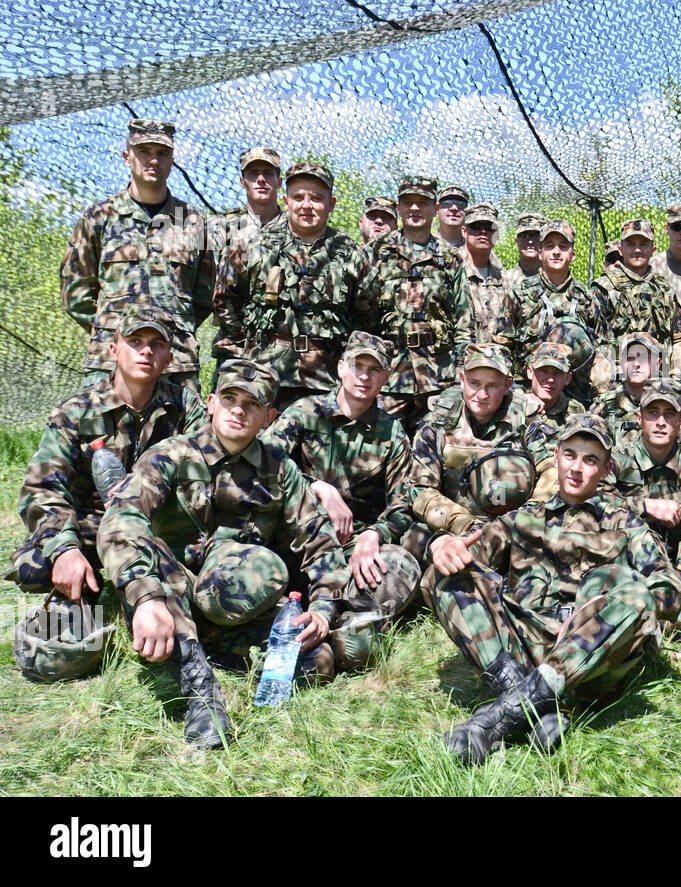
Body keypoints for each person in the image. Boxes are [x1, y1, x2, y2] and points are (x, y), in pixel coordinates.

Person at [96, 359, 349, 748]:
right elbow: (121, 521)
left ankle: (203, 649)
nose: (238, 410)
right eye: (230, 398)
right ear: (211, 402)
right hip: (169, 595)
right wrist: (145, 597)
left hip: (230, 597)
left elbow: (319, 541)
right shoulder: (171, 455)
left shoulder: (279, 469)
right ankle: (202, 694)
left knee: (321, 661)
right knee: (157, 552)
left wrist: (323, 608)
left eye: (252, 403)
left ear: (269, 416)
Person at [427, 414, 681, 765]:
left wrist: (593, 615)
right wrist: (441, 544)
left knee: (635, 593)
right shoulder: (523, 519)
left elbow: (667, 591)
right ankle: (537, 705)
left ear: (606, 470)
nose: (577, 468)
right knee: (446, 575)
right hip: (525, 649)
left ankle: (495, 719)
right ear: (557, 456)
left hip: (594, 659)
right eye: (570, 455)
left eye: (590, 460)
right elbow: (468, 554)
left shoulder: (625, 524)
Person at [9, 307, 204, 682]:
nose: (145, 352)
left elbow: (201, 480)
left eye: (157, 344)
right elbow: (41, 487)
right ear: (114, 350)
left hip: (157, 523)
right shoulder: (76, 412)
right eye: (135, 342)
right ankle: (88, 593)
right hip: (93, 526)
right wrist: (64, 548)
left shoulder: (187, 408)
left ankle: (143, 596)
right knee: (35, 564)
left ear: (168, 357)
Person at [262, 331, 421, 672]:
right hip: (295, 543)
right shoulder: (304, 413)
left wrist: (374, 534)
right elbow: (262, 464)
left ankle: (333, 622)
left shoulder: (391, 431)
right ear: (340, 368)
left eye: (374, 370)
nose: (364, 376)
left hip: (350, 551)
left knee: (401, 565)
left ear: (386, 377)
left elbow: (404, 502)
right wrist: (318, 487)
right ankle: (297, 618)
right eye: (357, 366)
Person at [61, 119, 214, 393]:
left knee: (179, 436)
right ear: (126, 156)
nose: (153, 160)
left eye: (162, 153)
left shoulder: (192, 221)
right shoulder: (99, 217)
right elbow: (76, 293)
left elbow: (205, 295)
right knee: (105, 436)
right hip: (110, 363)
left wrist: (175, 328)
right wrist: (118, 333)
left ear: (172, 160)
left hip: (175, 362)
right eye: (144, 151)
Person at [213, 160, 377, 409]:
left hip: (326, 380)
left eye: (316, 198)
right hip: (264, 375)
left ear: (331, 204)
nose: (307, 206)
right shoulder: (253, 246)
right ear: (286, 201)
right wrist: (247, 347)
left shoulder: (351, 255)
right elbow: (225, 298)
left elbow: (366, 317)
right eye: (298, 197)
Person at [612, 380, 681, 651]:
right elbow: (598, 507)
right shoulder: (615, 460)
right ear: (639, 418)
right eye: (652, 413)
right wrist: (644, 506)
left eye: (669, 414)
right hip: (629, 560)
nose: (660, 421)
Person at [366, 175, 472, 432]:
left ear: (435, 209)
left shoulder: (450, 258)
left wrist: (460, 377)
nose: (415, 208)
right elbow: (361, 315)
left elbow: (463, 321)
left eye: (422, 202)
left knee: (437, 447)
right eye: (408, 202)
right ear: (399, 207)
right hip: (389, 376)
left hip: (438, 376)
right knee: (381, 444)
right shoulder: (376, 252)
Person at [409, 343, 533, 537]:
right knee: (415, 537)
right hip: (453, 529)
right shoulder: (437, 423)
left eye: (492, 386)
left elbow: (551, 474)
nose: (482, 395)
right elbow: (420, 490)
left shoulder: (526, 421)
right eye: (475, 383)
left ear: (508, 385)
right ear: (462, 380)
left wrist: (523, 522)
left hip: (516, 531)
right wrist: (464, 525)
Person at [503, 218, 606, 400]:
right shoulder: (519, 295)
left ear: (573, 254)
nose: (556, 252)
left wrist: (600, 396)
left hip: (578, 398)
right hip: (528, 395)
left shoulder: (587, 298)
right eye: (549, 246)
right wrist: (515, 395)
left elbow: (604, 349)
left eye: (563, 246)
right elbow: (502, 347)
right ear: (540, 253)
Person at [209, 147, 286, 372]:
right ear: (242, 181)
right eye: (253, 173)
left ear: (280, 181)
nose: (261, 179)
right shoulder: (221, 228)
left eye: (268, 173)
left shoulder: (295, 228)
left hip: (279, 349)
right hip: (232, 347)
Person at [593, 219, 681, 376]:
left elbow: (679, 340)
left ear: (653, 250)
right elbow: (597, 344)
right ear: (621, 249)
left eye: (643, 244)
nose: (637, 250)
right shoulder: (604, 288)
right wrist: (604, 390)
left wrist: (675, 377)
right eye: (631, 244)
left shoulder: (665, 289)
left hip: (660, 380)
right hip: (618, 381)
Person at [460, 202, 512, 345]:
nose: (483, 231)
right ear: (464, 231)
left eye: (490, 227)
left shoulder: (505, 279)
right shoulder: (450, 271)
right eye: (476, 226)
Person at [505, 212, 547, 287]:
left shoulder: (555, 279)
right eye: (524, 236)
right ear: (517, 242)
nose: (530, 241)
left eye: (536, 236)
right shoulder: (504, 281)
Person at [434, 184, 470, 257]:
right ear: (437, 210)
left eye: (461, 205)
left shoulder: (475, 248)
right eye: (447, 204)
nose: (454, 208)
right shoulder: (424, 244)